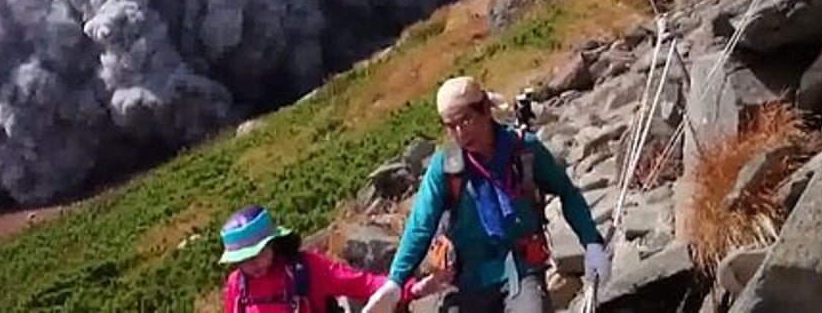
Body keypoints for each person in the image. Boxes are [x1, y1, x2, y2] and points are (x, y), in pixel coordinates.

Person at [361, 76, 612, 313]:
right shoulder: (445, 167)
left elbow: (566, 191)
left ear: (485, 110)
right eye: (451, 126)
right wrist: (396, 281)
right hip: (467, 279)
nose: (460, 133)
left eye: (466, 121)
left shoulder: (524, 150)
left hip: (520, 269)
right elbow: (420, 225)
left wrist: (591, 241)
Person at [219, 205, 443, 312]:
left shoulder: (304, 269)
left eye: (258, 254)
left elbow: (364, 284)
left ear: (273, 244)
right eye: (243, 260)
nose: (252, 265)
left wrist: (414, 288)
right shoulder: (237, 285)